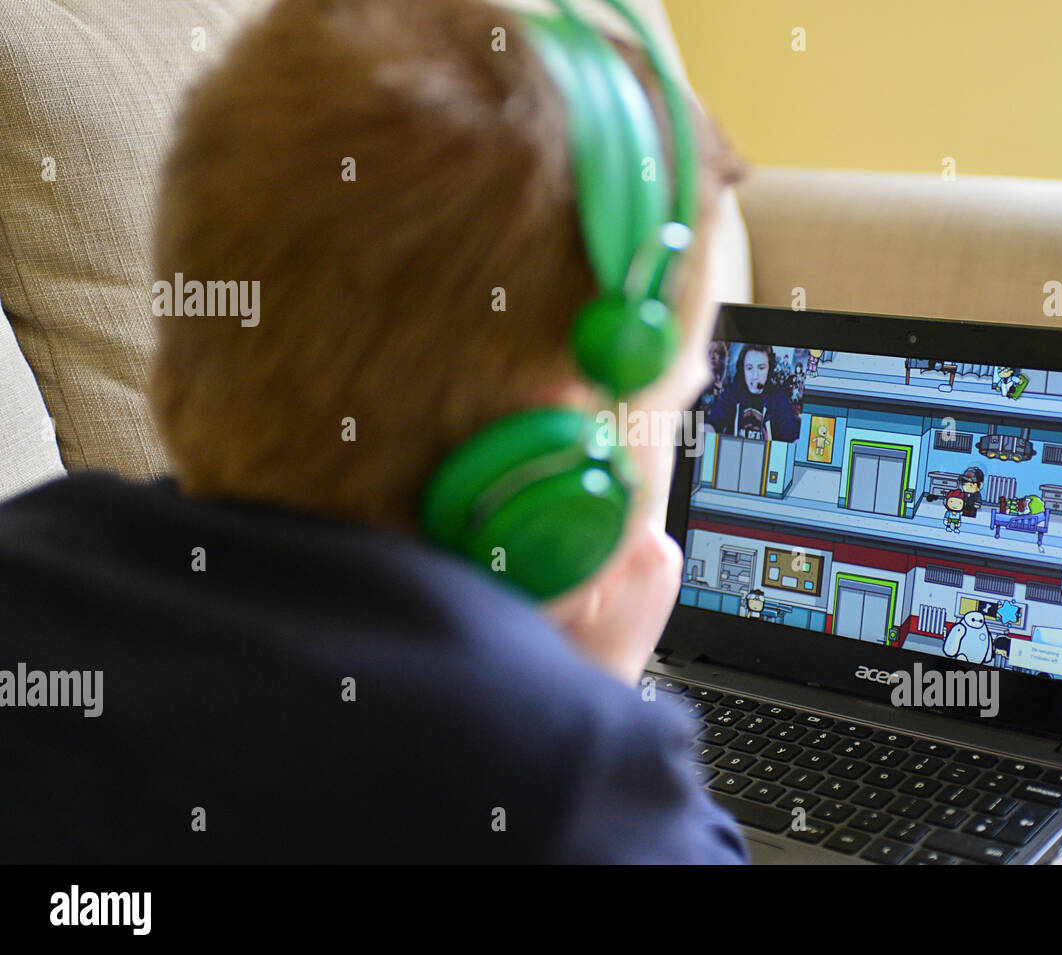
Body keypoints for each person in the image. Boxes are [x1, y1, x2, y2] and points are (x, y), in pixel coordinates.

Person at [0, 0, 749, 863]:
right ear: (555, 452)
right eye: (678, 405)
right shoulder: (572, 775)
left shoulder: (30, 570)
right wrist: (592, 691)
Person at [702, 343, 801, 441]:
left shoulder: (778, 398)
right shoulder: (732, 392)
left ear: (769, 369)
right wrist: (705, 431)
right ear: (743, 369)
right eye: (749, 368)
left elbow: (790, 433)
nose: (754, 376)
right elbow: (714, 421)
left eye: (761, 368)